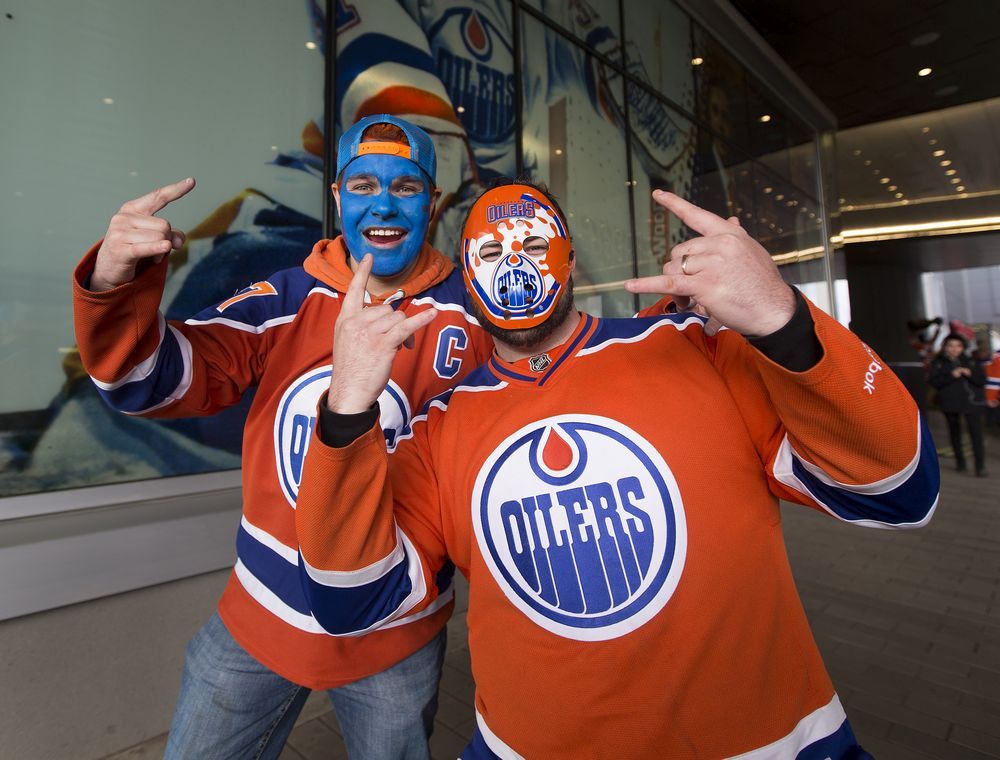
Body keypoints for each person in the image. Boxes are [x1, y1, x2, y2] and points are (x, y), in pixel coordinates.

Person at [292, 180, 941, 758]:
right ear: (466, 277)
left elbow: (898, 487)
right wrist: (345, 411)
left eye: (532, 246)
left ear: (570, 261)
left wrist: (782, 316)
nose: (512, 264)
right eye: (490, 254)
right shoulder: (438, 432)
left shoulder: (698, 351)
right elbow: (351, 602)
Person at [71, 115, 495, 759]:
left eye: (407, 187)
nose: (383, 204)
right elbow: (145, 382)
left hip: (397, 630)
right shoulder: (283, 299)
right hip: (258, 620)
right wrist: (112, 280)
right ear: (337, 198)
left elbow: (562, 388)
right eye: (362, 186)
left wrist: (690, 323)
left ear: (433, 203)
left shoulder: (479, 313)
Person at [929, 333, 988, 477]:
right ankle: (960, 462)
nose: (954, 349)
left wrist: (969, 373)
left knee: (976, 435)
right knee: (955, 432)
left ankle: (980, 466)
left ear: (963, 347)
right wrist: (951, 375)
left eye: (958, 346)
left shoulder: (971, 361)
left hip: (971, 402)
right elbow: (934, 381)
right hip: (950, 403)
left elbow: (982, 380)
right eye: (951, 346)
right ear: (945, 347)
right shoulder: (938, 362)